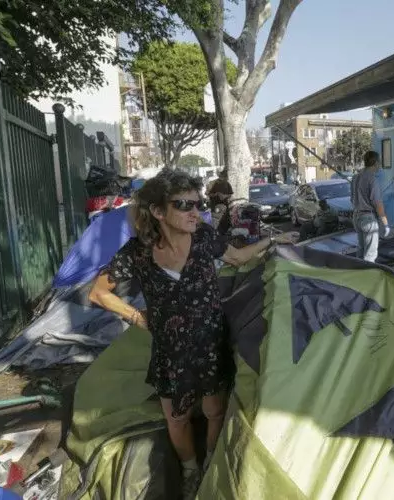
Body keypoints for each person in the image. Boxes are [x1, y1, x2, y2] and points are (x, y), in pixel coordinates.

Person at [88, 169, 298, 499]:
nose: (194, 213)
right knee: (178, 419)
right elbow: (99, 293)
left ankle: (212, 460)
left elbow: (238, 256)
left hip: (211, 342)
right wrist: (138, 317)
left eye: (197, 205)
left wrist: (272, 241)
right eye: (183, 205)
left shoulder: (204, 237)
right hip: (171, 352)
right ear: (157, 211)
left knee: (215, 410)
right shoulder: (137, 253)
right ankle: (190, 469)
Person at [350, 151, 389, 262]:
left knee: (361, 250)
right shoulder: (372, 179)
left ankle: (358, 275)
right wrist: (385, 223)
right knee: (370, 255)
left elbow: (352, 199)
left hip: (356, 216)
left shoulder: (355, 177)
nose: (380, 165)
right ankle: (367, 278)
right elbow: (378, 204)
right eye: (379, 162)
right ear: (376, 163)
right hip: (368, 219)